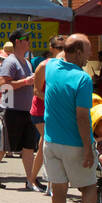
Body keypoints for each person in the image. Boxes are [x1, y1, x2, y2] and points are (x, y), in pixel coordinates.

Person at [44, 34, 99, 203]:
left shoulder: (51, 67)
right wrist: (87, 147)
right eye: (87, 50)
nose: (90, 55)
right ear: (76, 52)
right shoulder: (83, 79)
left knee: (58, 190)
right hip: (74, 142)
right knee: (88, 185)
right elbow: (82, 117)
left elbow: (59, 55)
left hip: (51, 142)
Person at [0, 30, 43, 190]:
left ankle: (30, 179)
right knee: (4, 146)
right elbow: (4, 85)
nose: (29, 41)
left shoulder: (26, 62)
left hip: (26, 110)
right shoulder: (10, 62)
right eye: (26, 39)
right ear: (17, 42)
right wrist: (26, 81)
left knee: (28, 146)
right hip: (11, 110)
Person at [31, 36, 63, 179]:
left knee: (43, 146)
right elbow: (37, 91)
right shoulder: (44, 65)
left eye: (66, 48)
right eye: (60, 48)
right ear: (52, 48)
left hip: (56, 111)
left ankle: (32, 178)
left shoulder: (66, 66)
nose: (63, 51)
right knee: (48, 143)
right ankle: (48, 179)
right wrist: (55, 99)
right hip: (41, 110)